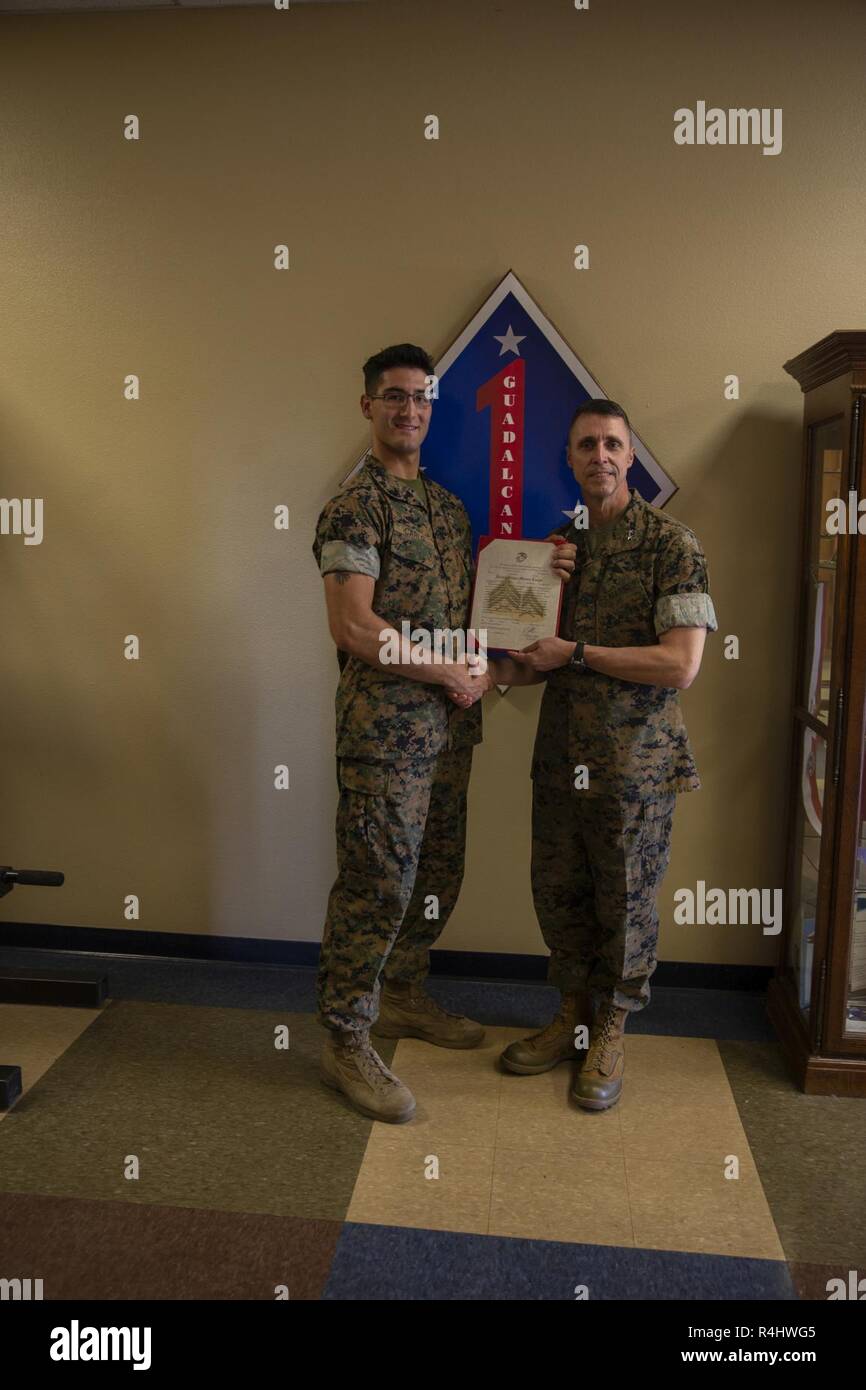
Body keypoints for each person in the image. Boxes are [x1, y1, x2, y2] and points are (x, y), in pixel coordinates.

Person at [312, 343, 575, 1123]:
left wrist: (541, 578)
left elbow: (479, 623)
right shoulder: (353, 508)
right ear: (368, 406)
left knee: (435, 876)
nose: (410, 410)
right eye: (394, 397)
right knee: (376, 884)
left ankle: (401, 995)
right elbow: (356, 628)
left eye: (421, 398)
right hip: (385, 735)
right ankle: (343, 1038)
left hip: (452, 732)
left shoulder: (448, 510)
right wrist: (446, 674)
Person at [484, 399, 718, 1111]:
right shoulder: (559, 550)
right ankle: (570, 1018)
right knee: (558, 890)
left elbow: (681, 666)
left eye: (613, 444)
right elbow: (534, 659)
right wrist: (483, 668)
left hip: (635, 764)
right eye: (586, 444)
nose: (600, 456)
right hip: (560, 755)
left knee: (624, 897)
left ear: (631, 456)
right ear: (569, 458)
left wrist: (578, 651)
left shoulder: (672, 545)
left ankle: (611, 1028)